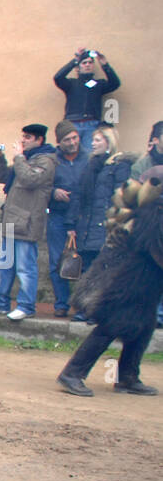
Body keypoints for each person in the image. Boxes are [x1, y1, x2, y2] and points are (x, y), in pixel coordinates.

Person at [57, 170, 162, 396]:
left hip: (146, 285)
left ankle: (128, 377)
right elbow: (154, 248)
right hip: (130, 282)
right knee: (112, 325)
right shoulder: (151, 213)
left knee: (144, 328)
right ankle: (73, 373)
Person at [0, 124, 57, 320]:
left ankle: (26, 306)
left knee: (25, 267)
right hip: (12, 218)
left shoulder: (46, 160)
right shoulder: (26, 159)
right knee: (4, 264)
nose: (23, 140)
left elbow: (30, 179)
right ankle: (0, 302)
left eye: (28, 137)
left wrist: (19, 157)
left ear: (40, 140)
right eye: (23, 136)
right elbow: (4, 177)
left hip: (28, 222)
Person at [66, 127, 133, 317]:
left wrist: (117, 224)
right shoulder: (90, 166)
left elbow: (121, 197)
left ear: (108, 142)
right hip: (86, 225)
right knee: (87, 269)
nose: (93, 143)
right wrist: (71, 224)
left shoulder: (120, 166)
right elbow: (78, 197)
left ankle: (98, 310)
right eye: (93, 140)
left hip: (106, 226)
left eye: (97, 140)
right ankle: (84, 308)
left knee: (104, 270)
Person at [43, 120, 91, 317]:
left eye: (74, 138)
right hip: (57, 216)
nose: (72, 142)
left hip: (83, 217)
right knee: (56, 261)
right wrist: (53, 192)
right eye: (67, 139)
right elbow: (42, 186)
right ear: (59, 142)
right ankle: (61, 303)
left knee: (85, 262)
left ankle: (84, 305)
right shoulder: (52, 161)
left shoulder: (88, 159)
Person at [53, 46, 121, 151]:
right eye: (84, 63)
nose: (87, 65)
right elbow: (58, 78)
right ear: (78, 67)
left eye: (90, 62)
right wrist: (75, 60)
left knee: (88, 155)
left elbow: (115, 84)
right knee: (70, 153)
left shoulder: (99, 84)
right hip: (72, 123)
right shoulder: (71, 83)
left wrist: (105, 65)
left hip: (91, 124)